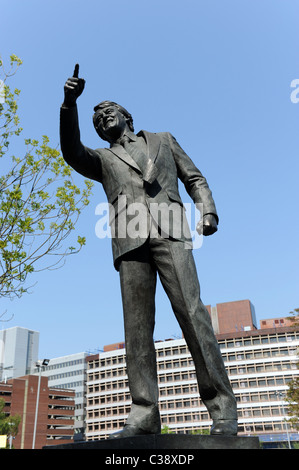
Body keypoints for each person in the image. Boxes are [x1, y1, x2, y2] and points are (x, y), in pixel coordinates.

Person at [60, 65, 238, 438]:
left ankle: (222, 411)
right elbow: (71, 151)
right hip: (130, 241)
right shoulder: (102, 159)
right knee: (137, 330)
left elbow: (195, 177)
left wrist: (207, 210)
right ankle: (144, 414)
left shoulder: (163, 139)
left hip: (172, 233)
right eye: (96, 118)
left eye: (109, 111)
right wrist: (69, 104)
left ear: (127, 116)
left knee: (193, 314)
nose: (103, 117)